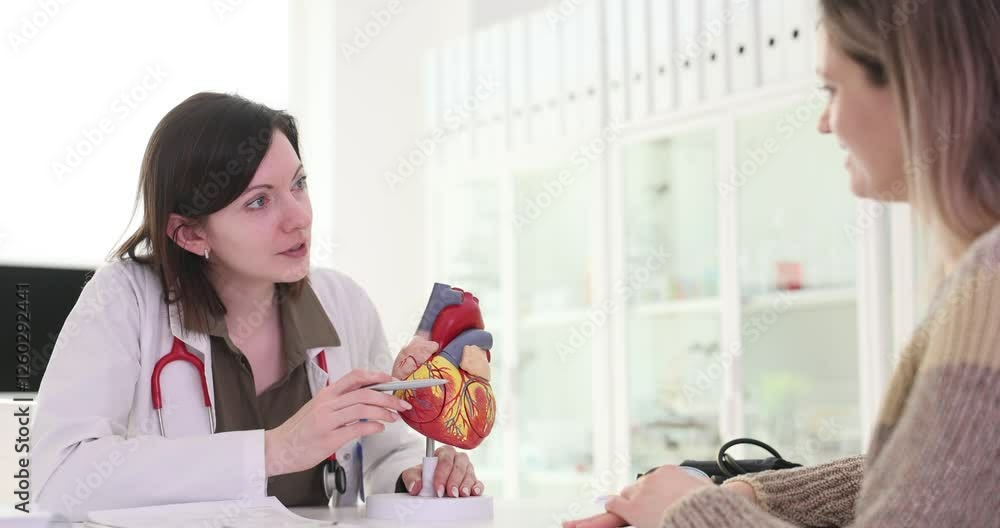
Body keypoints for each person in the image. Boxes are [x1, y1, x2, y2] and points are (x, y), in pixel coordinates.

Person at [566, 0, 1000, 526]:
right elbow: (935, 477)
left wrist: (693, 512)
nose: (823, 122)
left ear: (920, 88)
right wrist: (753, 496)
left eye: (833, 90)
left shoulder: (989, 284)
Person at [30, 92, 483, 521]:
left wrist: (416, 476)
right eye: (259, 201)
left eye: (298, 184)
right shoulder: (124, 300)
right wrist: (274, 449)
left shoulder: (342, 303)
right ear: (191, 234)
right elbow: (61, 479)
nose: (299, 217)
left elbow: (386, 450)